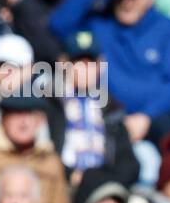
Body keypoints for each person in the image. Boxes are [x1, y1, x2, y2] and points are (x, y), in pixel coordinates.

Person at [48, 0, 170, 143]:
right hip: (110, 114)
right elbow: (58, 25)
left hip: (156, 115)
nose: (126, 2)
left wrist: (145, 116)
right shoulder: (100, 23)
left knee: (169, 139)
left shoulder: (165, 28)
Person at [43, 32, 140, 188]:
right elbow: (41, 154)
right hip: (60, 184)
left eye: (90, 63)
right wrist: (69, 174)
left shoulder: (111, 109)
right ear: (63, 64)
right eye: (77, 63)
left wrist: (101, 181)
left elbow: (129, 163)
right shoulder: (49, 104)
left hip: (103, 188)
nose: (84, 70)